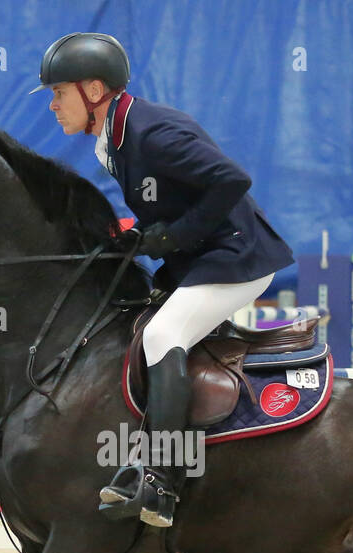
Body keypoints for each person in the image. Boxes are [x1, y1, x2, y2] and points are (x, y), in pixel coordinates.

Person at [32, 32, 295, 527]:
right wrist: (139, 235)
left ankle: (162, 480)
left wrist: (171, 238)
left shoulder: (152, 133)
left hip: (236, 258)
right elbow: (172, 199)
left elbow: (231, 181)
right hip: (200, 259)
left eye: (58, 93)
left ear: (92, 90)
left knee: (162, 334)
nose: (52, 105)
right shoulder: (113, 140)